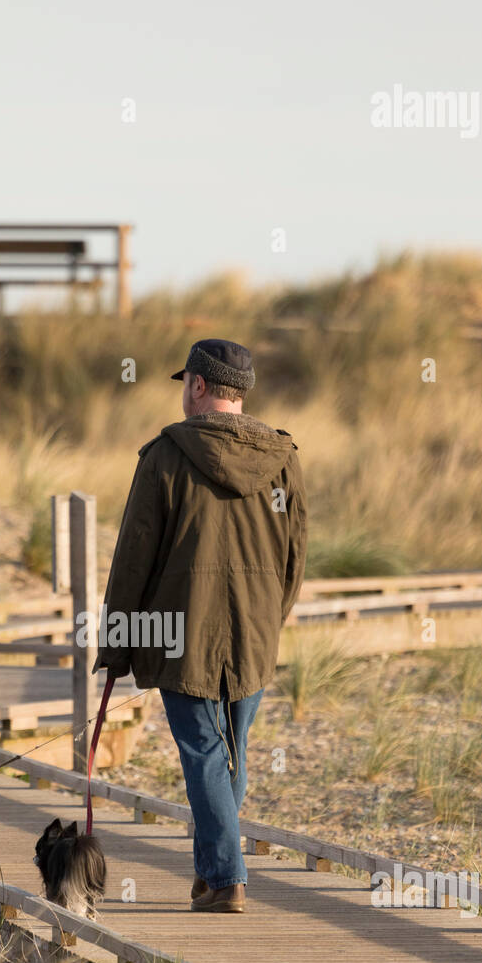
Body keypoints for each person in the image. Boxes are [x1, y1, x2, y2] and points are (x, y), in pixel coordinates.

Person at [94, 338, 307, 912]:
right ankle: (214, 871)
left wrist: (116, 648)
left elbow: (132, 562)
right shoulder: (282, 459)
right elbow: (294, 556)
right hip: (256, 632)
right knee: (229, 750)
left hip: (178, 634)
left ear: (198, 386)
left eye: (185, 382)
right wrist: (270, 617)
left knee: (206, 753)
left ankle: (225, 877)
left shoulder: (164, 456)